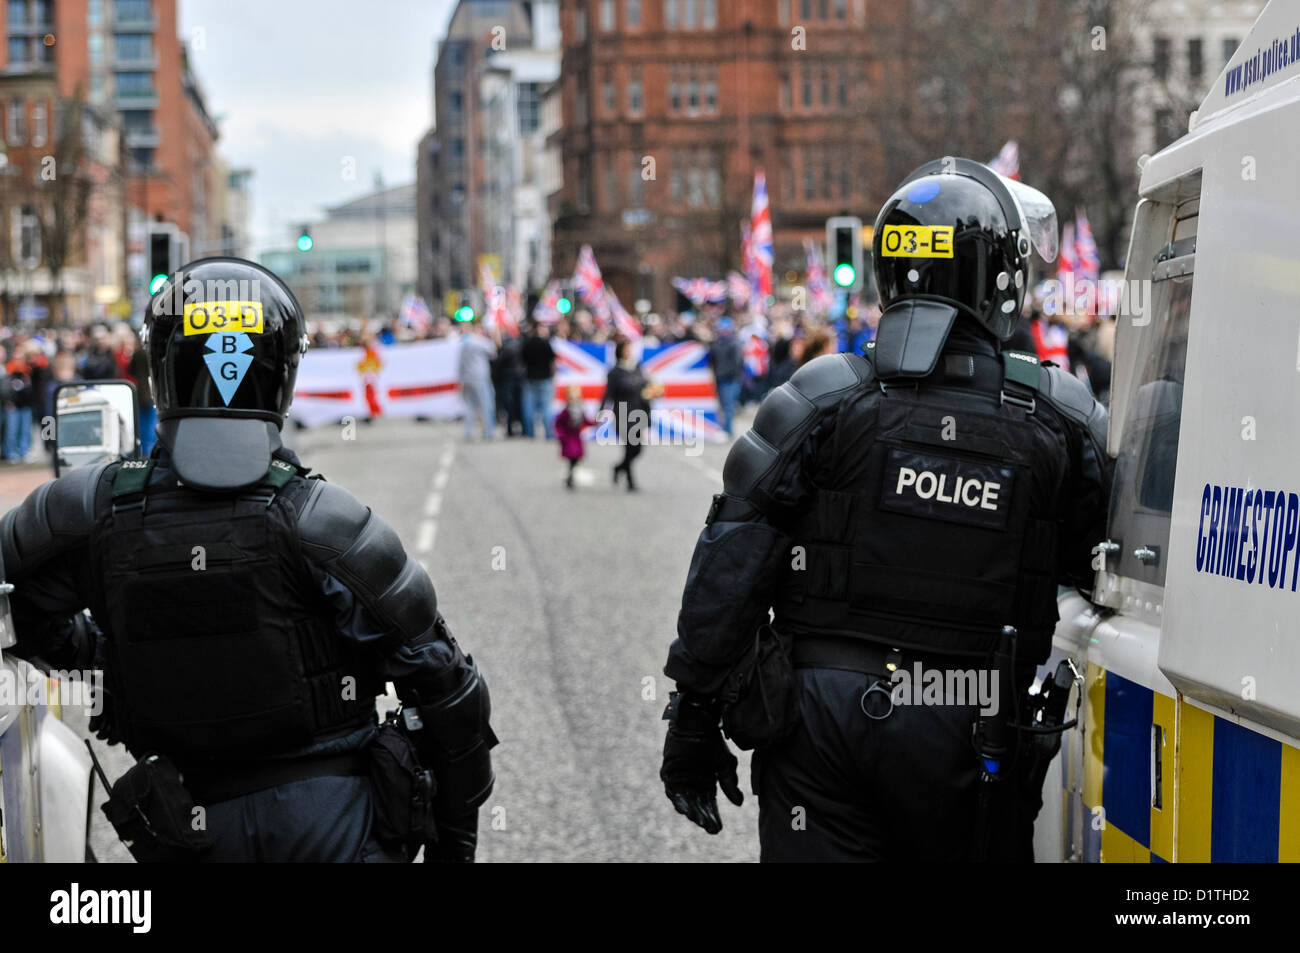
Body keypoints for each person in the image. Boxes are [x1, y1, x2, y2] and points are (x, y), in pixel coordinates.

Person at [659, 158, 1112, 862]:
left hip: (823, 722)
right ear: (1002, 278)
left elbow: (732, 557)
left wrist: (693, 712)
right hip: (972, 727)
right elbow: (1108, 564)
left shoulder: (820, 396)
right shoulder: (1061, 416)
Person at [0, 258, 497, 862]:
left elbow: (20, 606)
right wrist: (455, 849)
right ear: (284, 374)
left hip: (191, 823)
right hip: (335, 827)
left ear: (161, 368)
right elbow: (448, 690)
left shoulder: (90, 506)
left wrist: (109, 657)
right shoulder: (324, 519)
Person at [600, 340, 651, 492]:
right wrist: (601, 410)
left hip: (639, 412)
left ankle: (619, 468)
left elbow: (645, 386)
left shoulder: (637, 367)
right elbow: (608, 393)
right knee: (629, 447)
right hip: (623, 412)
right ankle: (630, 480)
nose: (629, 352)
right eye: (626, 349)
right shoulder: (615, 372)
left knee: (637, 449)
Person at [458, 320, 497, 441]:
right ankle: (488, 432)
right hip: (479, 377)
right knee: (486, 405)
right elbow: (493, 351)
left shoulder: (460, 341)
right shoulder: (478, 341)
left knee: (469, 406)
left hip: (466, 377)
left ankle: (469, 432)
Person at [708, 318, 744, 437]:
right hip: (720, 378)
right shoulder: (716, 344)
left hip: (731, 379)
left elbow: (737, 362)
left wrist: (731, 375)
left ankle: (727, 430)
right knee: (723, 405)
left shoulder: (735, 343)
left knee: (728, 405)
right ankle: (725, 427)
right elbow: (712, 360)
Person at [521, 321, 557, 439]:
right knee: (546, 407)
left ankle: (530, 432)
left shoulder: (527, 344)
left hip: (530, 378)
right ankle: (548, 433)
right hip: (545, 378)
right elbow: (553, 362)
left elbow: (522, 360)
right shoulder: (546, 344)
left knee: (529, 407)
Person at [554, 384, 595, 489]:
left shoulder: (580, 410)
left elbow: (585, 420)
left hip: (576, 437)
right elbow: (558, 424)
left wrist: (595, 422)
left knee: (577, 457)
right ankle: (570, 476)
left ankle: (570, 474)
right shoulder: (566, 411)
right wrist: (561, 435)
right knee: (572, 455)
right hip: (568, 437)